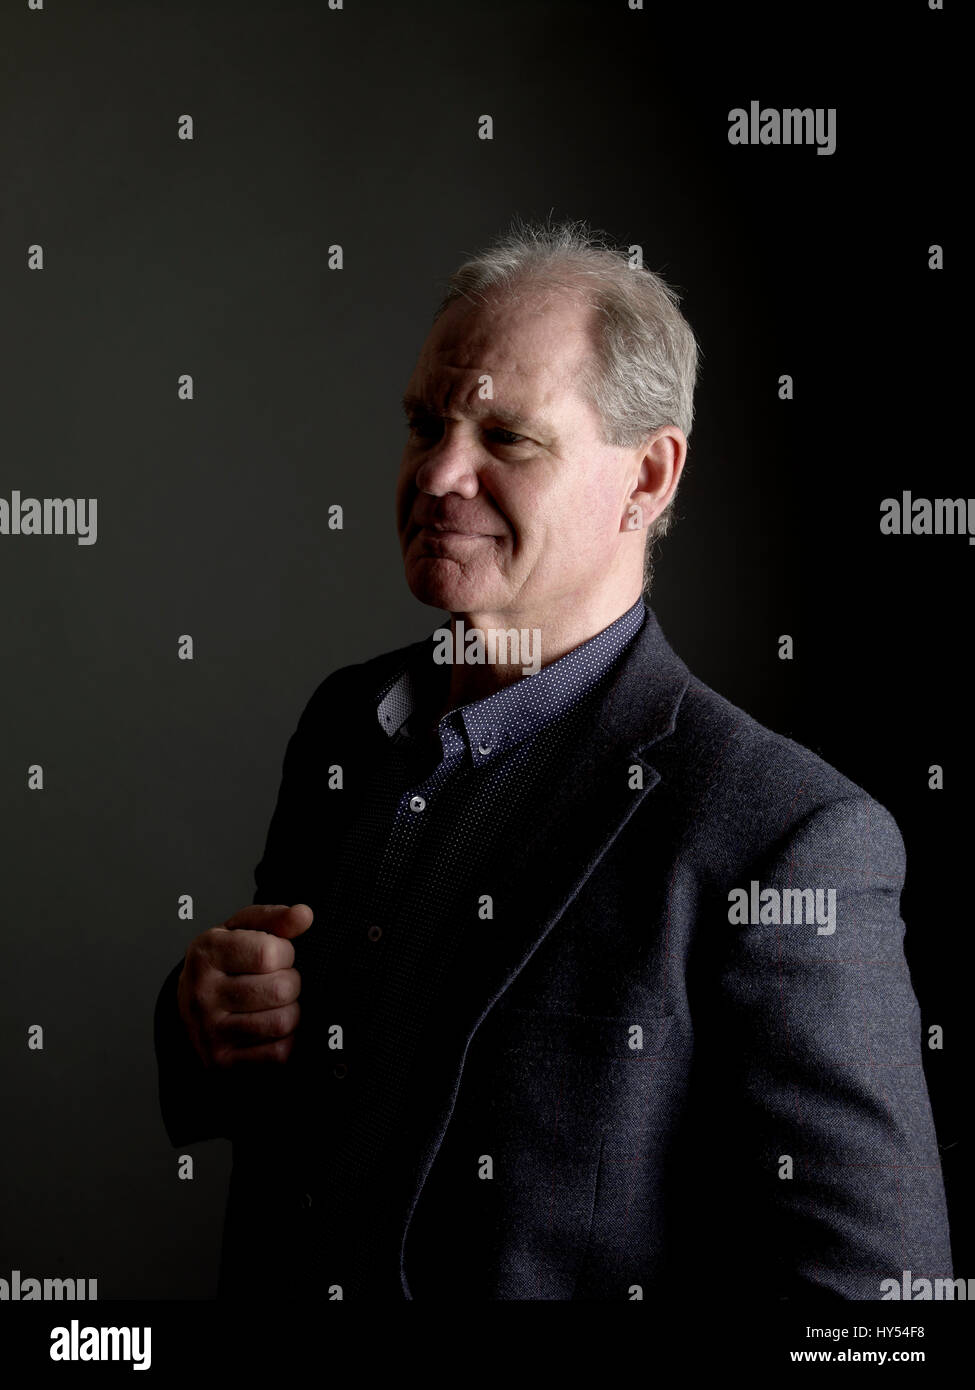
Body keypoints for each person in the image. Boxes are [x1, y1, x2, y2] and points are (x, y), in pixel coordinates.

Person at [154, 219, 952, 1300]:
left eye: (509, 439)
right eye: (426, 423)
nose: (440, 473)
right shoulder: (344, 727)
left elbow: (873, 1309)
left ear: (649, 477)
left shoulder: (785, 838)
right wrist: (205, 1022)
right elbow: (297, 1095)